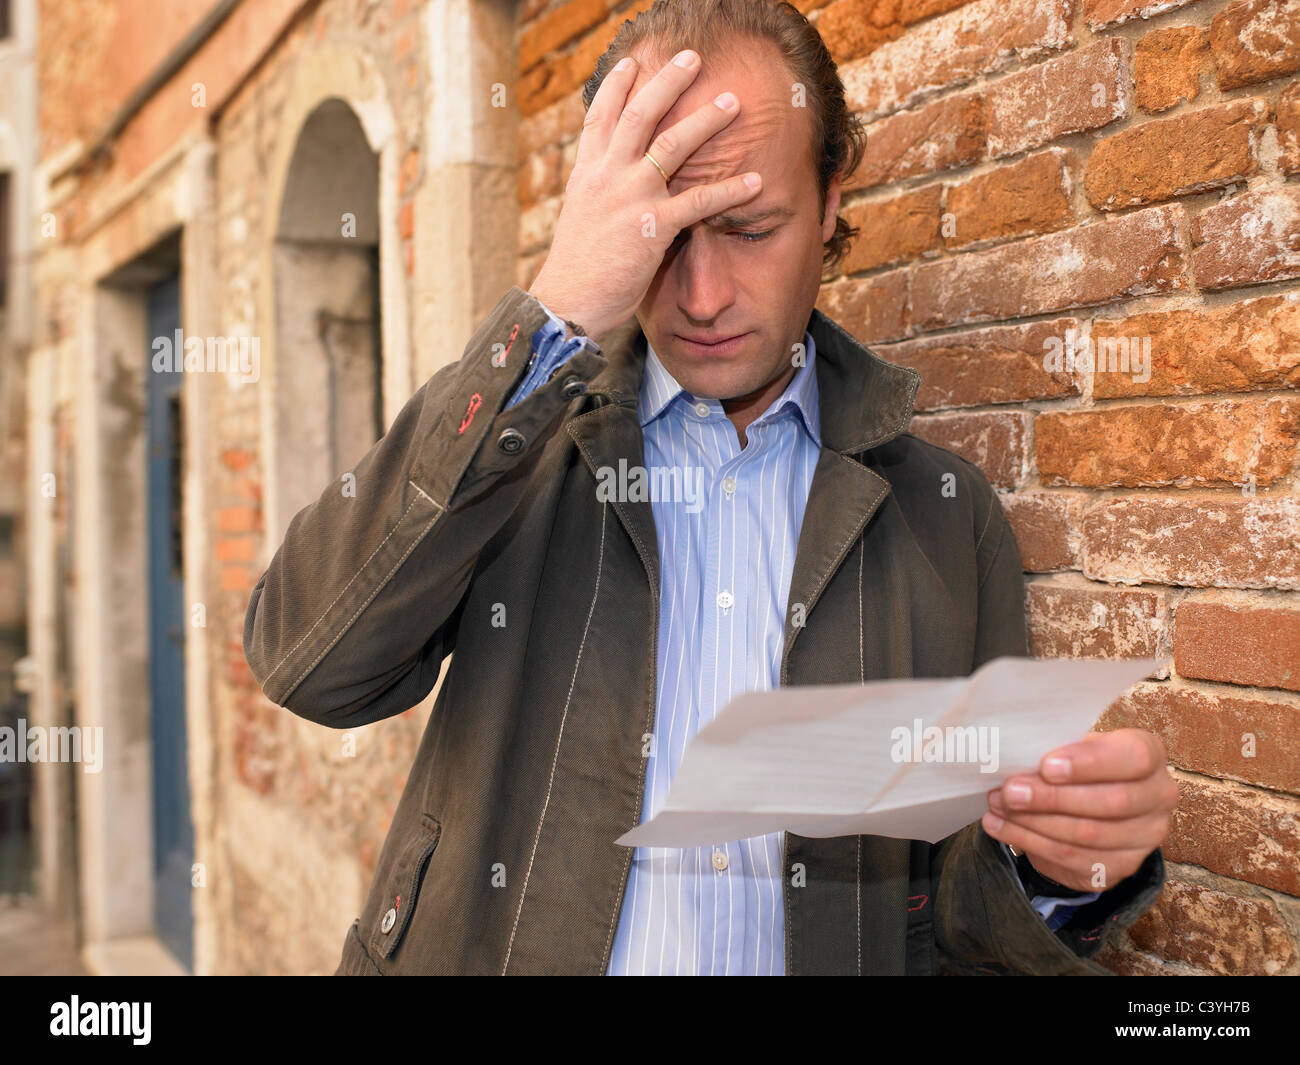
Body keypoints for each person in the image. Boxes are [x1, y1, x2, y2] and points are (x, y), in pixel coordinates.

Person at [243, 0, 1175, 975]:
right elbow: (311, 663)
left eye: (748, 227)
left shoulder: (943, 521)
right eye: (659, 235)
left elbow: (956, 918)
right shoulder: (513, 449)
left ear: (826, 203)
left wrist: (1055, 867)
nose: (699, 295)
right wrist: (556, 302)